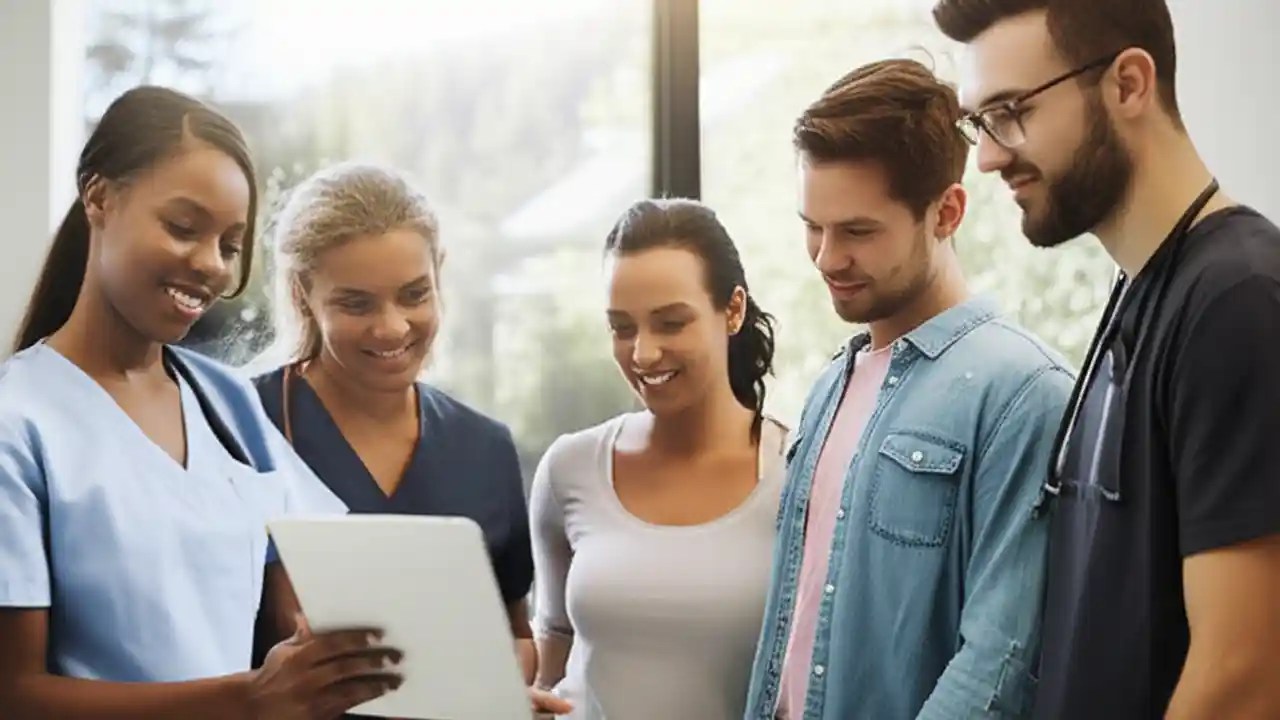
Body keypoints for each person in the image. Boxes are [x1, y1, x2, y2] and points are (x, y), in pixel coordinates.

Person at [0, 86, 403, 719]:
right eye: (183, 228)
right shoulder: (17, 423)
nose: (211, 266)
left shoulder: (228, 405)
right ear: (98, 195)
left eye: (230, 244)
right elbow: (13, 695)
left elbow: (317, 630)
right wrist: (248, 700)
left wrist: (469, 694)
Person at [934, 1, 1280, 717]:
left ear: (1127, 84)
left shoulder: (1239, 301)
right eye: (980, 122)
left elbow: (1246, 674)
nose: (990, 154)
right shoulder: (1139, 292)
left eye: (1010, 111)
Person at [742, 59, 1074, 720]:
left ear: (947, 211)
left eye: (858, 231)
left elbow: (1000, 661)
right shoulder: (831, 384)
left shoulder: (1024, 393)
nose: (827, 257)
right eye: (814, 225)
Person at [250, 162, 570, 718]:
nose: (392, 327)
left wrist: (484, 690)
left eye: (414, 294)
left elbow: (517, 635)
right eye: (356, 303)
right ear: (303, 293)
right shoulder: (242, 426)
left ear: (439, 274)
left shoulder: (485, 448)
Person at [528, 198, 788, 719]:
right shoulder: (569, 469)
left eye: (670, 323)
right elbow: (552, 639)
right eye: (622, 328)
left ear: (732, 309)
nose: (643, 354)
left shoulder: (799, 471)